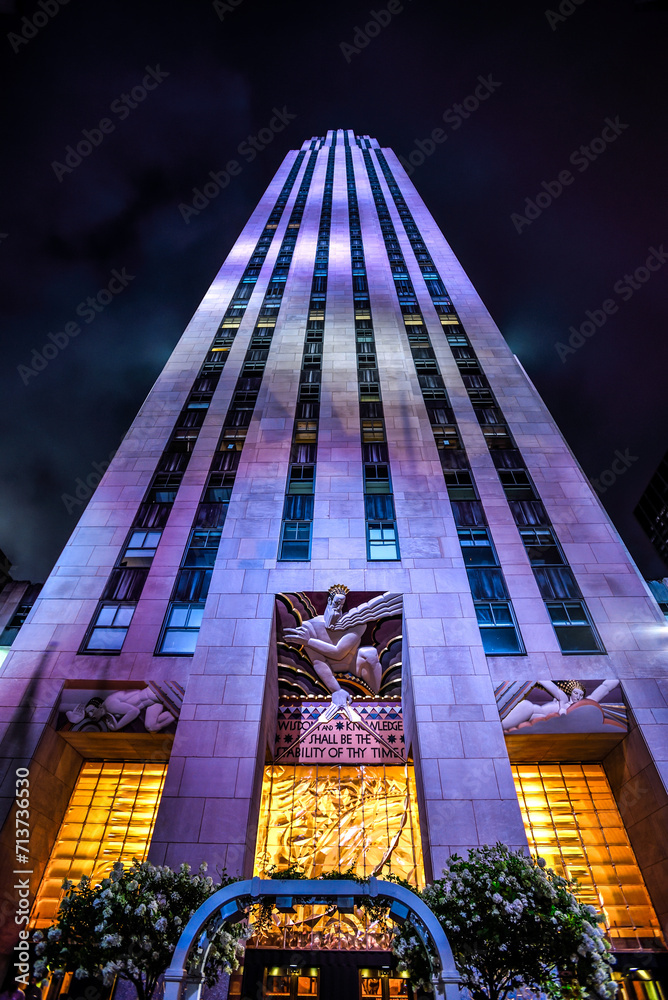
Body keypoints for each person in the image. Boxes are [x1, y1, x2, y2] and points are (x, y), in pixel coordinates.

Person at [283, 585, 383, 701]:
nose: (338, 608)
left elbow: (339, 652)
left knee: (370, 653)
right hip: (326, 671)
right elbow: (318, 661)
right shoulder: (310, 626)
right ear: (329, 600)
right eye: (336, 604)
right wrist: (337, 690)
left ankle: (376, 698)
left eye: (341, 605)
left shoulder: (356, 624)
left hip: (353, 665)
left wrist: (309, 641)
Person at [501, 679, 619, 731]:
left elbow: (605, 688)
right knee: (501, 725)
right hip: (529, 711)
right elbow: (549, 685)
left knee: (501, 726)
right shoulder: (563, 699)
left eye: (580, 695)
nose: (577, 697)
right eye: (575, 693)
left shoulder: (584, 705)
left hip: (533, 718)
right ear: (571, 693)